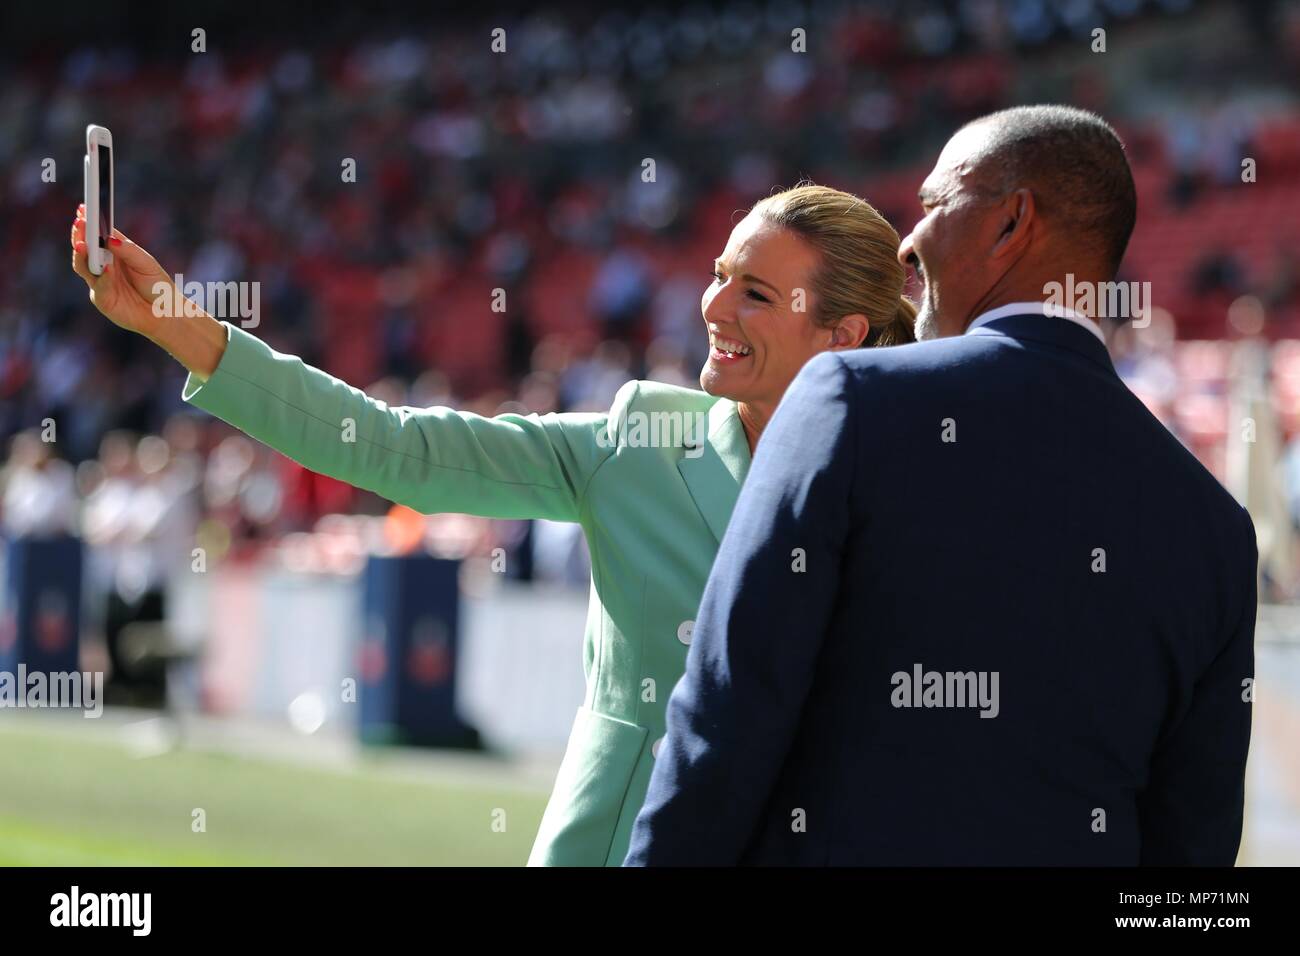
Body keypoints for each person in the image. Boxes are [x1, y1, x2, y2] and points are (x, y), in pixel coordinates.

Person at [70, 183, 916, 866]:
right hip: (616, 845)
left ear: (838, 332)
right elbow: (395, 448)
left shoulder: (910, 488)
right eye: (720, 274)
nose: (714, 304)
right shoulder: (640, 440)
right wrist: (176, 326)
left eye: (756, 292)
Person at [626, 106, 1259, 866]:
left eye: (934, 205)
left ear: (1010, 222)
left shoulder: (847, 398)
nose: (907, 240)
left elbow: (726, 715)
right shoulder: (1216, 527)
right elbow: (1193, 857)